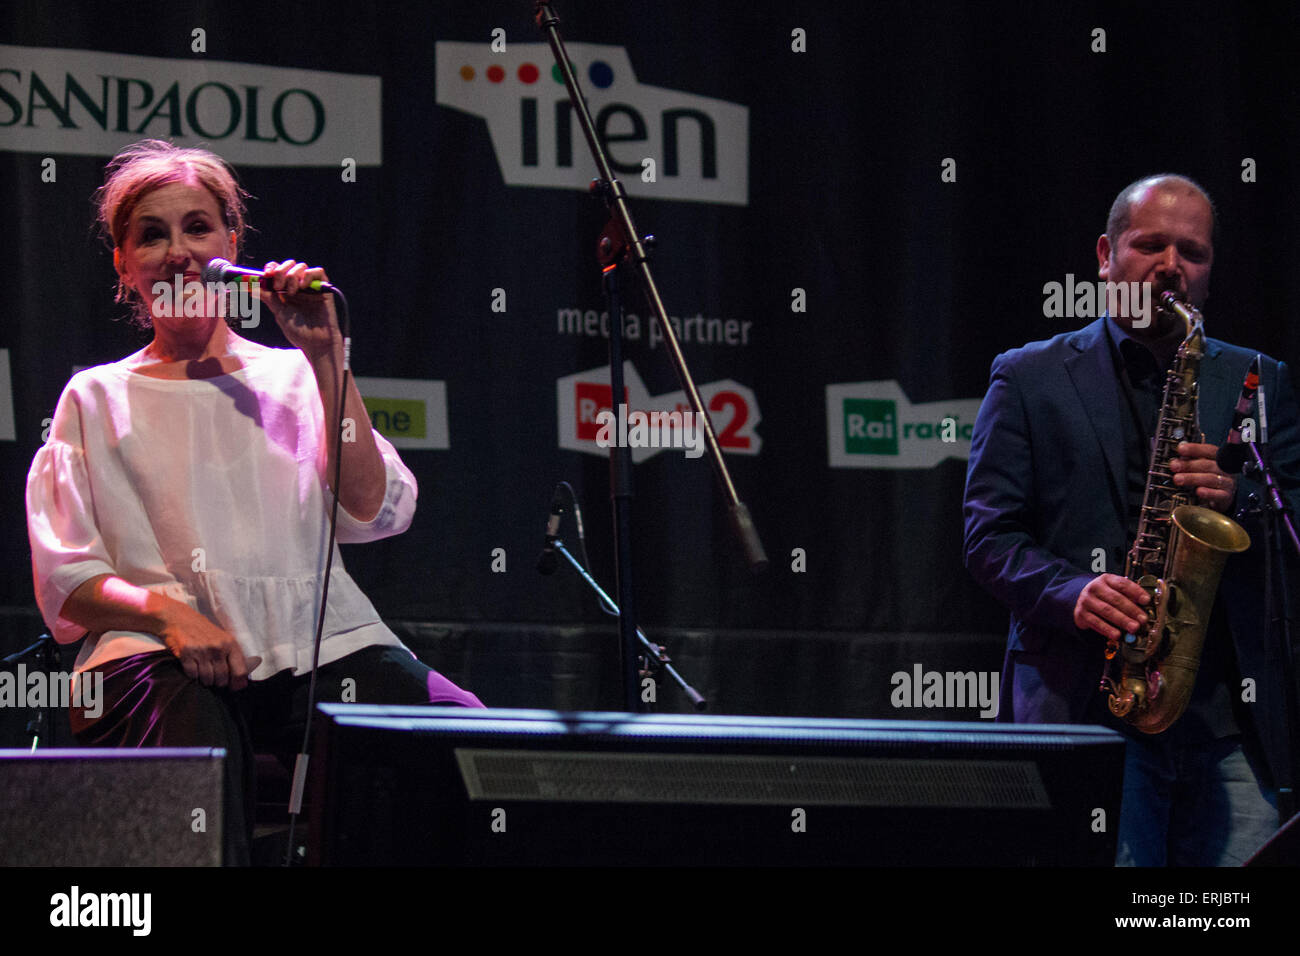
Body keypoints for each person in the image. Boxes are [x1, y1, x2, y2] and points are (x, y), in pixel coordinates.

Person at [25, 139, 483, 866]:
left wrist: (326, 358)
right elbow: (70, 580)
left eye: (198, 227)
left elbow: (374, 508)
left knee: (471, 744)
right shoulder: (96, 396)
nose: (179, 251)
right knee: (196, 762)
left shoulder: (297, 375)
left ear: (232, 244)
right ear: (123, 266)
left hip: (315, 641)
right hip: (154, 651)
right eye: (152, 234)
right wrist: (173, 616)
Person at [963, 173, 1300, 866]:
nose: (1171, 265)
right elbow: (988, 537)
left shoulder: (1258, 378)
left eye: (1192, 252)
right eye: (1150, 245)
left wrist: (1240, 497)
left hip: (1229, 725)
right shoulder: (1026, 376)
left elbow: (1291, 513)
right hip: (1089, 710)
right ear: (1105, 255)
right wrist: (1074, 593)